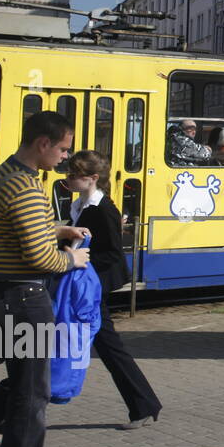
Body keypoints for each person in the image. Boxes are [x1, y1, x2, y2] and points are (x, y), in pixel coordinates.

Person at [0, 110, 90, 447]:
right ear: (43, 143)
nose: (66, 157)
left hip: (1, 295)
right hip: (24, 300)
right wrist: (72, 260)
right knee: (32, 395)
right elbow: (40, 257)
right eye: (63, 148)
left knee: (18, 385)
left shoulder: (2, 175)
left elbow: (13, 230)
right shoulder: (27, 187)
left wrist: (58, 229)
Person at [63, 151, 163, 428]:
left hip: (92, 286)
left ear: (92, 178)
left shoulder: (104, 208)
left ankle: (144, 405)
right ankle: (144, 405)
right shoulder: (82, 204)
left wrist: (81, 264)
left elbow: (113, 254)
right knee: (108, 346)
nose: (68, 179)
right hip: (86, 285)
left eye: (74, 175)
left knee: (104, 346)